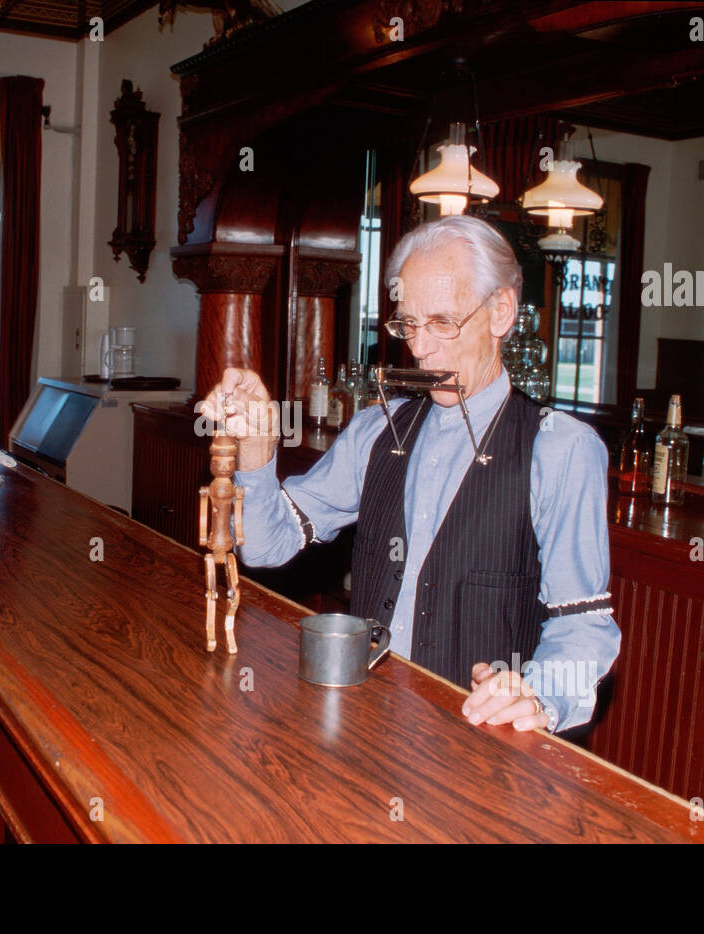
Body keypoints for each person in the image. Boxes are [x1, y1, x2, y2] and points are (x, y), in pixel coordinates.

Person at [201, 215, 620, 733]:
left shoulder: (561, 449)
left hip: (478, 745)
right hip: (362, 721)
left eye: (443, 323)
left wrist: (540, 694)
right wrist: (259, 449)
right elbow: (266, 546)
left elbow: (582, 625)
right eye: (407, 325)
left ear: (501, 312)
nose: (420, 349)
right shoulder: (377, 429)